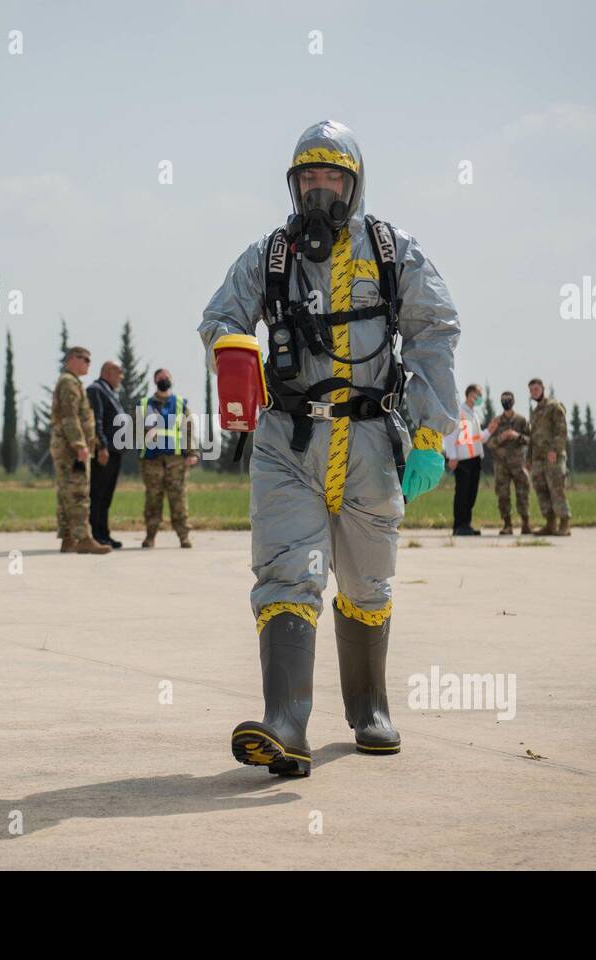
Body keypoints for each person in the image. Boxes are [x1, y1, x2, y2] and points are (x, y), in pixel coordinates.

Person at [200, 120, 459, 776]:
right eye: (308, 178)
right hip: (288, 440)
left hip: (371, 439)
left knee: (368, 580)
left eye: (332, 178)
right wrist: (235, 354)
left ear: (354, 183)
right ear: (293, 185)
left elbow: (434, 329)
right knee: (288, 572)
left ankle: (368, 705)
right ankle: (286, 723)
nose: (319, 190)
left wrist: (430, 432)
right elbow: (222, 315)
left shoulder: (393, 250)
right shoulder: (270, 256)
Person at [51, 347, 111, 555]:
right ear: (72, 359)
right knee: (78, 494)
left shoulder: (70, 381)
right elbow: (70, 416)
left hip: (67, 448)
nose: (88, 363)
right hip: (71, 450)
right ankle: (84, 538)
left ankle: (68, 538)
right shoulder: (69, 382)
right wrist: (80, 445)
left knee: (67, 494)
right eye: (85, 359)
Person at [138, 368, 199, 548]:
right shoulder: (144, 405)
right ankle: (150, 537)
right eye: (160, 377)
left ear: (171, 380)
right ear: (154, 381)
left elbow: (189, 430)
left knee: (178, 499)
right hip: (152, 460)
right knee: (153, 499)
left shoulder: (180, 404)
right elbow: (135, 430)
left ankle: (183, 537)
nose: (163, 379)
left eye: (166, 377)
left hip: (176, 461)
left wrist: (192, 453)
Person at [87, 361, 127, 547]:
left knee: (106, 496)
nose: (121, 377)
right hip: (105, 451)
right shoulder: (96, 390)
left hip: (114, 451)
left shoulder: (109, 391)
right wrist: (102, 446)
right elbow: (97, 420)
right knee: (99, 494)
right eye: (119, 373)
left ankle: (104, 534)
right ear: (108, 372)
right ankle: (96, 535)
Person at [527, 378, 571, 536]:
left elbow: (561, 430)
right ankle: (550, 524)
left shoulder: (554, 406)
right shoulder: (535, 412)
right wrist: (529, 458)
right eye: (531, 390)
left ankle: (564, 524)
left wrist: (555, 450)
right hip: (538, 458)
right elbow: (532, 437)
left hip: (553, 457)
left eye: (536, 389)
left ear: (543, 388)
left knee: (556, 489)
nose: (534, 392)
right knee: (541, 490)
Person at [484, 390, 532, 535]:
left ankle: (526, 524)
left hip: (518, 464)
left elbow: (531, 440)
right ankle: (507, 525)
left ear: (513, 401)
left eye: (508, 399)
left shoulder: (521, 420)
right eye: (503, 399)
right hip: (501, 466)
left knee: (523, 493)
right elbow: (489, 443)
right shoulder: (496, 421)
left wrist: (517, 436)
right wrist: (501, 437)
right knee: (503, 495)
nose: (506, 402)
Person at [443, 384, 485, 535]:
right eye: (477, 394)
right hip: (462, 459)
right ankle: (459, 525)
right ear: (470, 394)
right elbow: (449, 434)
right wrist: (452, 456)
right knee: (462, 493)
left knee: (471, 494)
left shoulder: (474, 414)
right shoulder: (459, 411)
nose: (479, 398)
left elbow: (477, 437)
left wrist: (491, 430)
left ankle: (466, 524)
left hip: (475, 459)